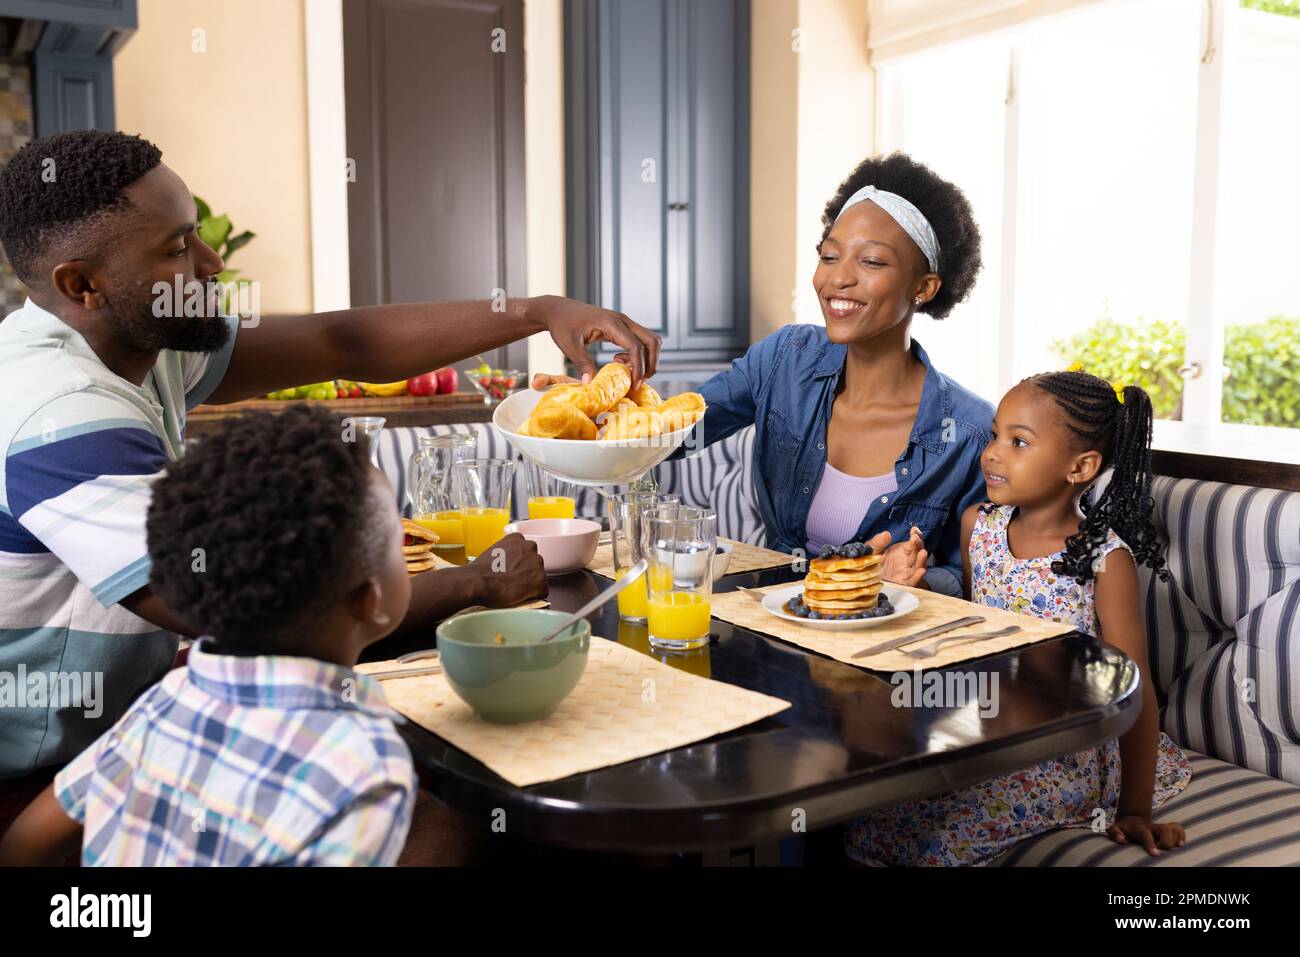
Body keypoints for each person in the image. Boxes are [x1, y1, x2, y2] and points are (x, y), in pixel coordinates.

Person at [0, 129, 659, 788]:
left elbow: (339, 340)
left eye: (195, 233)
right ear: (82, 284)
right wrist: (476, 582)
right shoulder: (60, 411)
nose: (210, 262)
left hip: (128, 723)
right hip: (48, 769)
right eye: (176, 248)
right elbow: (246, 614)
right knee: (464, 793)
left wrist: (540, 311)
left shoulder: (142, 337)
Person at [535, 153, 991, 593]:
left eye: (870, 261)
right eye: (829, 257)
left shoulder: (968, 433)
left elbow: (969, 572)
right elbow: (674, 431)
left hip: (880, 652)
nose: (838, 279)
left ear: (924, 287)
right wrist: (590, 408)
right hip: (773, 622)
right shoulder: (785, 358)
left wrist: (916, 578)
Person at [0, 405, 436, 865]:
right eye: (394, 541)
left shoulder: (164, 701)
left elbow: (26, 841)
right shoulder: (367, 763)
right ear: (371, 598)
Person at [845, 369, 1192, 865]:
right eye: (994, 436)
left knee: (937, 847)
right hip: (984, 733)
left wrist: (1134, 808)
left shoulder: (1105, 561)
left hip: (1063, 752)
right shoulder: (978, 527)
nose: (992, 453)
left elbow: (1136, 691)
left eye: (1019, 442)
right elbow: (972, 636)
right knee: (867, 821)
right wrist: (915, 593)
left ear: (1081, 466)